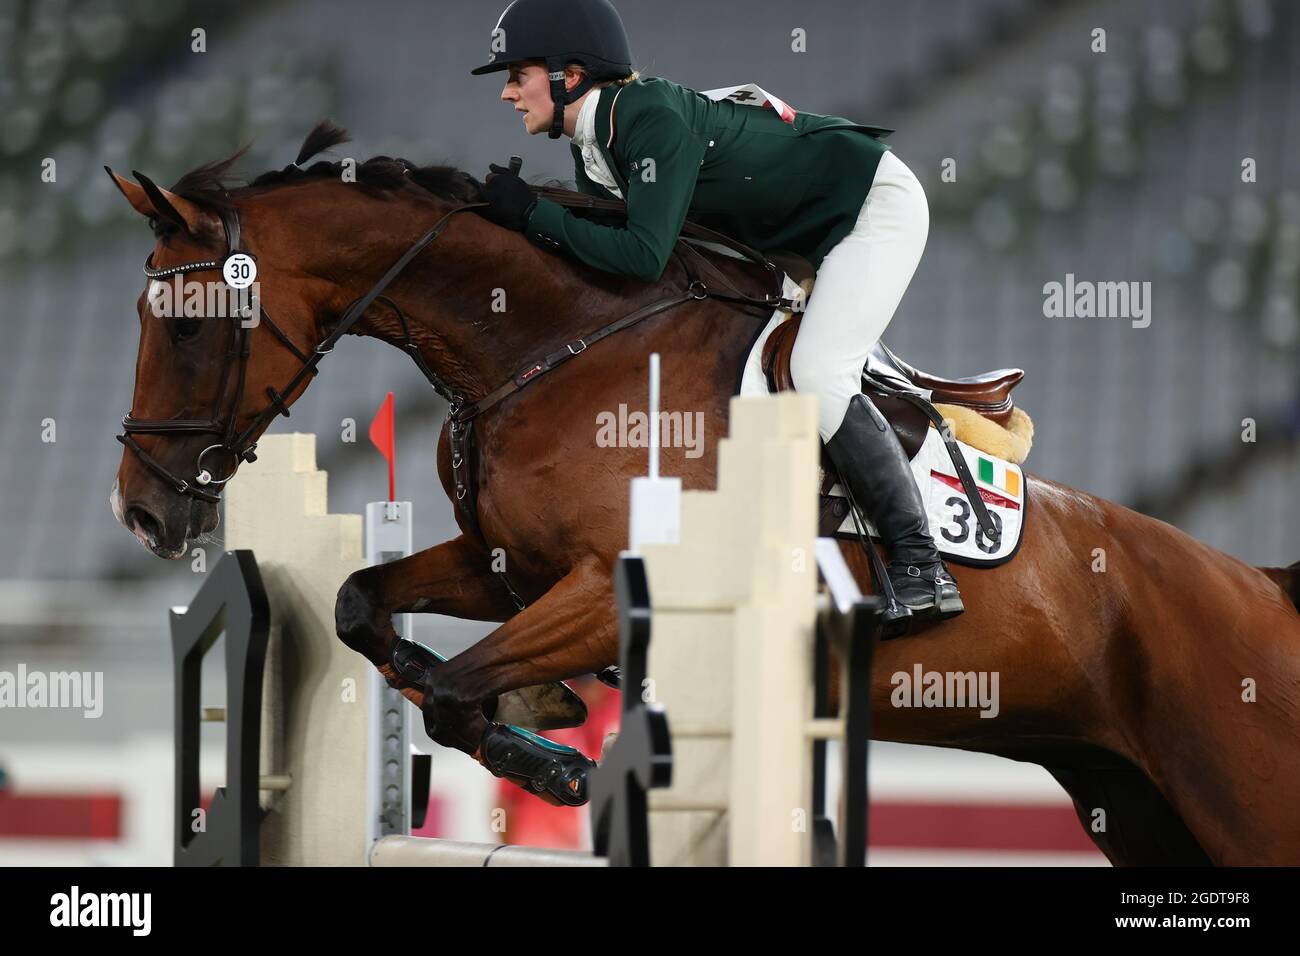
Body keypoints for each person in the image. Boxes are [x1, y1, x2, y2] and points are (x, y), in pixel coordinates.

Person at [469, 0, 962, 622]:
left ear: (570, 74)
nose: (509, 93)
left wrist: (534, 214)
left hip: (867, 211)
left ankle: (923, 566)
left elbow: (645, 256)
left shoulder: (646, 118)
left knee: (817, 373)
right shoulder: (596, 143)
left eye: (518, 75)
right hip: (798, 239)